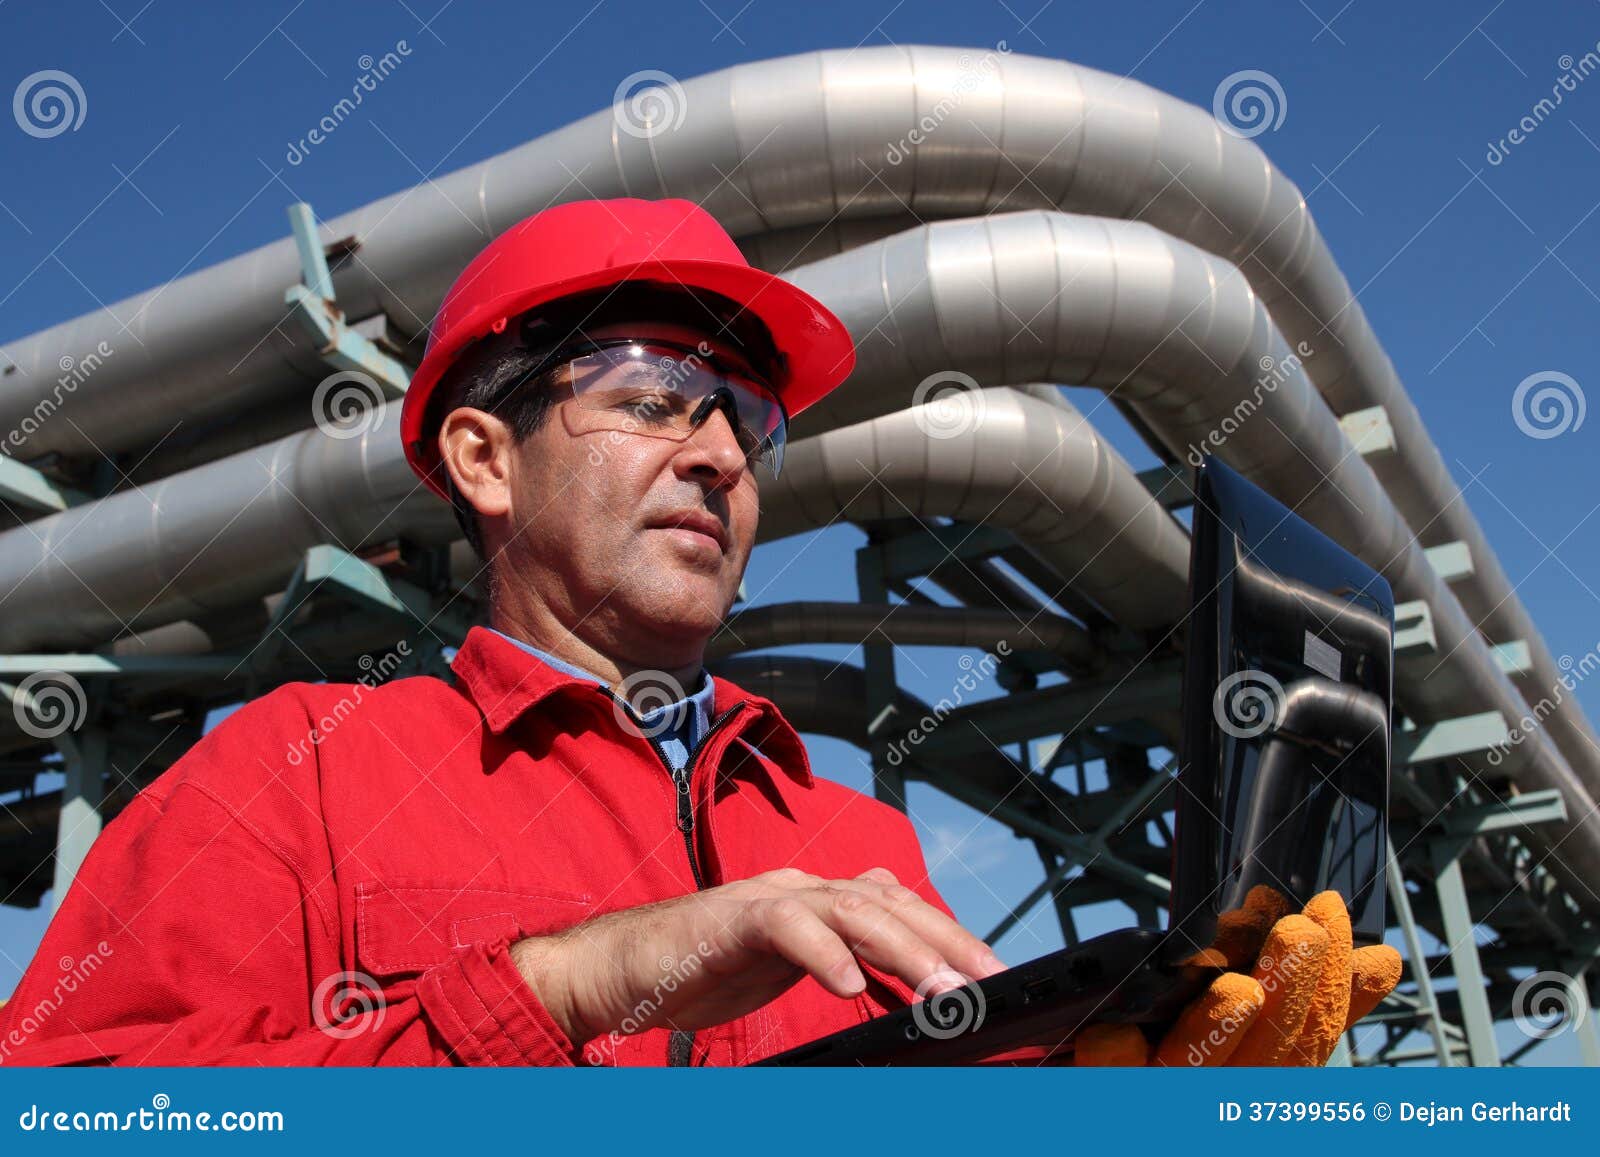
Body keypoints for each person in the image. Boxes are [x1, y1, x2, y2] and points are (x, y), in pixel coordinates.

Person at [0, 198, 1391, 1067]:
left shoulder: (861, 846)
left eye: (746, 418)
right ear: (485, 459)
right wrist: (570, 981)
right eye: (657, 396)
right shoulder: (294, 773)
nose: (721, 453)